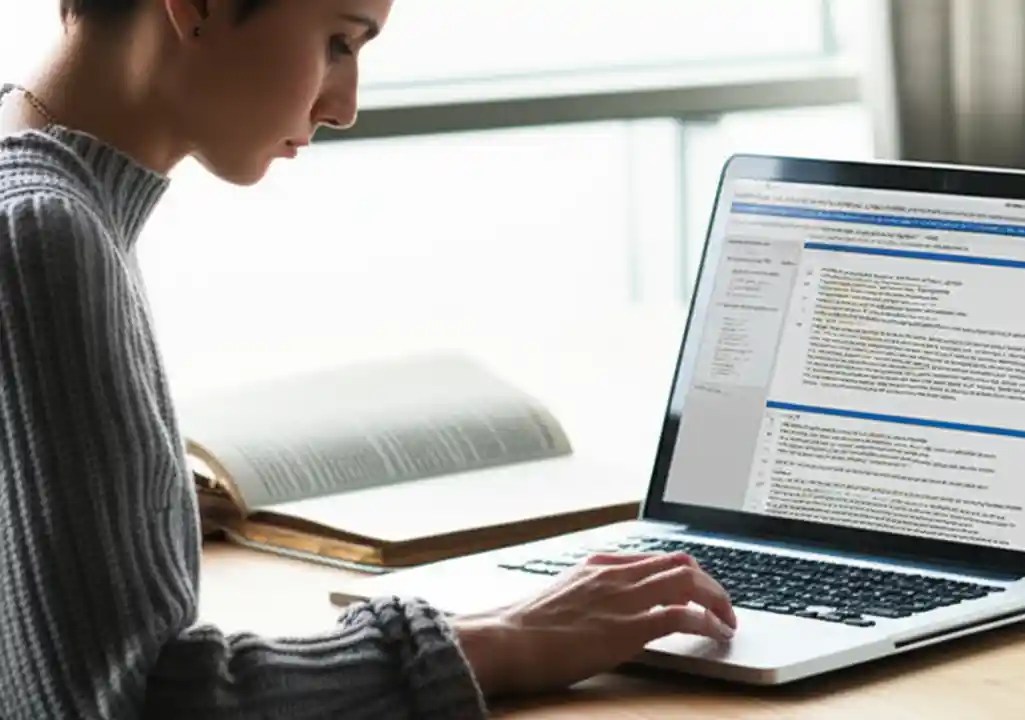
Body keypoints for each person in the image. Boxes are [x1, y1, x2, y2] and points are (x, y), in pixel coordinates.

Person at [0, 0, 739, 717]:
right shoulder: (44, 235)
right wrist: (499, 642)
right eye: (339, 43)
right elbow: (132, 700)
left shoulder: (51, 206)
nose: (344, 106)